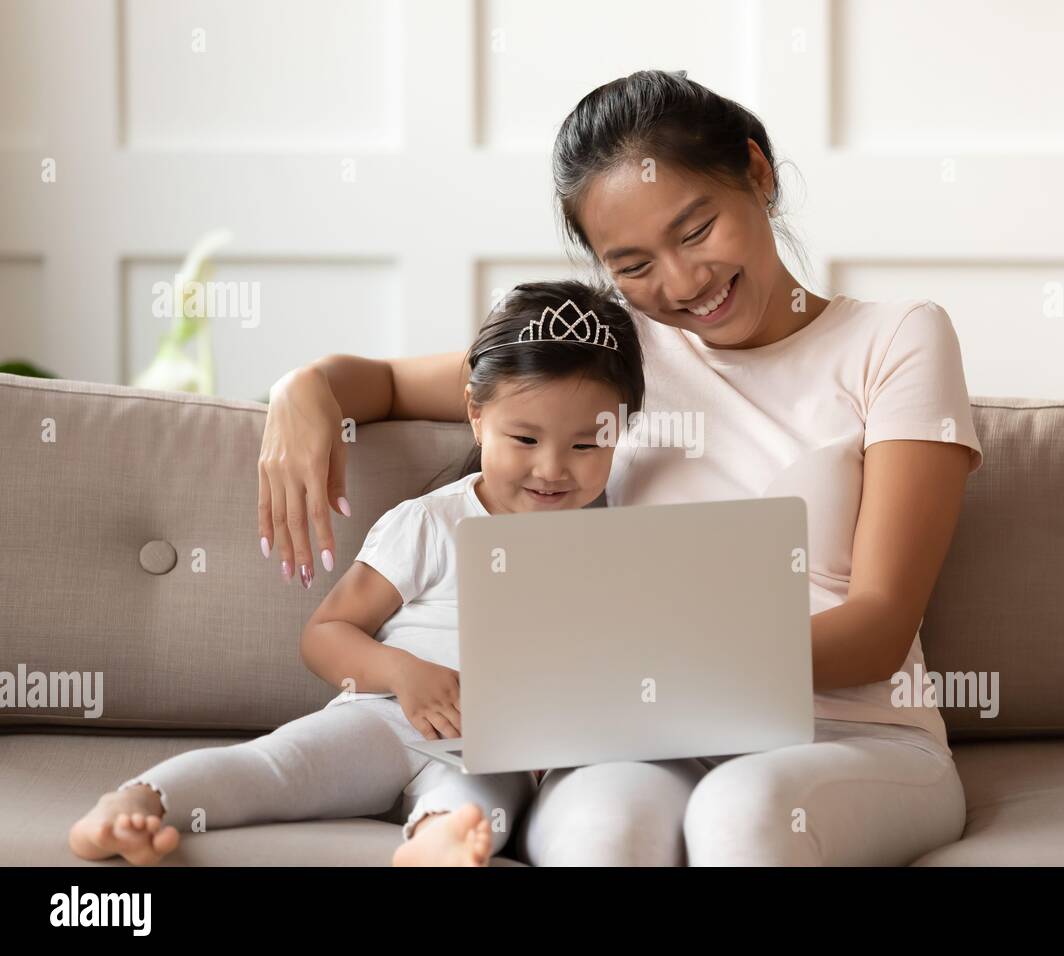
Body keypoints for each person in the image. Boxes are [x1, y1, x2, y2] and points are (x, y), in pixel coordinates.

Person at [256, 70, 985, 866]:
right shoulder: (618, 352)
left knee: (742, 817)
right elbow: (392, 381)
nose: (681, 283)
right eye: (633, 264)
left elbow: (881, 626)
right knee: (599, 832)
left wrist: (643, 660)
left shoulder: (898, 339)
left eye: (697, 230)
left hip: (851, 733)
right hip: (642, 734)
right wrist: (304, 388)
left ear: (758, 173)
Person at [69, 280, 645, 866]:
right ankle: (135, 803)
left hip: (490, 751)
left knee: (480, 801)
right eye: (524, 438)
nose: (552, 468)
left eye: (585, 445)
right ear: (476, 414)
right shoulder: (434, 522)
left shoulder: (607, 543)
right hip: (384, 719)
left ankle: (437, 842)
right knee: (280, 766)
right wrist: (401, 672)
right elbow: (325, 635)